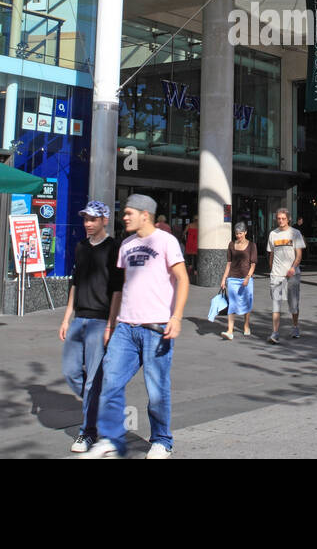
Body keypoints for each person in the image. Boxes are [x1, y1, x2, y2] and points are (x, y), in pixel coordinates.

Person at [80, 194, 188, 460]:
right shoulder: (126, 245)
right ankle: (109, 438)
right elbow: (123, 288)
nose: (124, 216)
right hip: (125, 328)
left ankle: (162, 440)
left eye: (129, 213)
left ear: (145, 214)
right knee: (110, 383)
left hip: (156, 327)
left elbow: (182, 279)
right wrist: (112, 324)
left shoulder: (166, 241)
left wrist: (176, 318)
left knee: (156, 389)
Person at [58, 200, 123, 454]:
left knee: (91, 381)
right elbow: (75, 283)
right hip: (79, 319)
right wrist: (66, 318)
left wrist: (111, 324)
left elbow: (118, 289)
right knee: (72, 372)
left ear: (104, 220)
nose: (87, 223)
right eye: (85, 219)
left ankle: (88, 431)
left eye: (93, 219)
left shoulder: (113, 248)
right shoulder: (81, 247)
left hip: (100, 319)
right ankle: (100, 405)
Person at [266, 208, 305, 343]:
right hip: (276, 275)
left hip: (292, 275)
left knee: (293, 305)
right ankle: (275, 333)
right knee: (276, 305)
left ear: (288, 219)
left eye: (283, 218)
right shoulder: (273, 234)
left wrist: (293, 268)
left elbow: (299, 254)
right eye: (278, 218)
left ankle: (295, 326)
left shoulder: (295, 233)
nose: (281, 221)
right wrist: (272, 269)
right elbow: (271, 253)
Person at [219, 221, 257, 339]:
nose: (238, 236)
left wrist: (248, 277)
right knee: (232, 304)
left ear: (245, 232)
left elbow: (253, 264)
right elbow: (229, 263)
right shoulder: (231, 245)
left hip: (246, 278)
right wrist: (224, 279)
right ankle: (230, 330)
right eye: (236, 233)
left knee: (247, 302)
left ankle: (246, 325)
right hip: (233, 278)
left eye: (240, 233)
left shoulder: (252, 246)